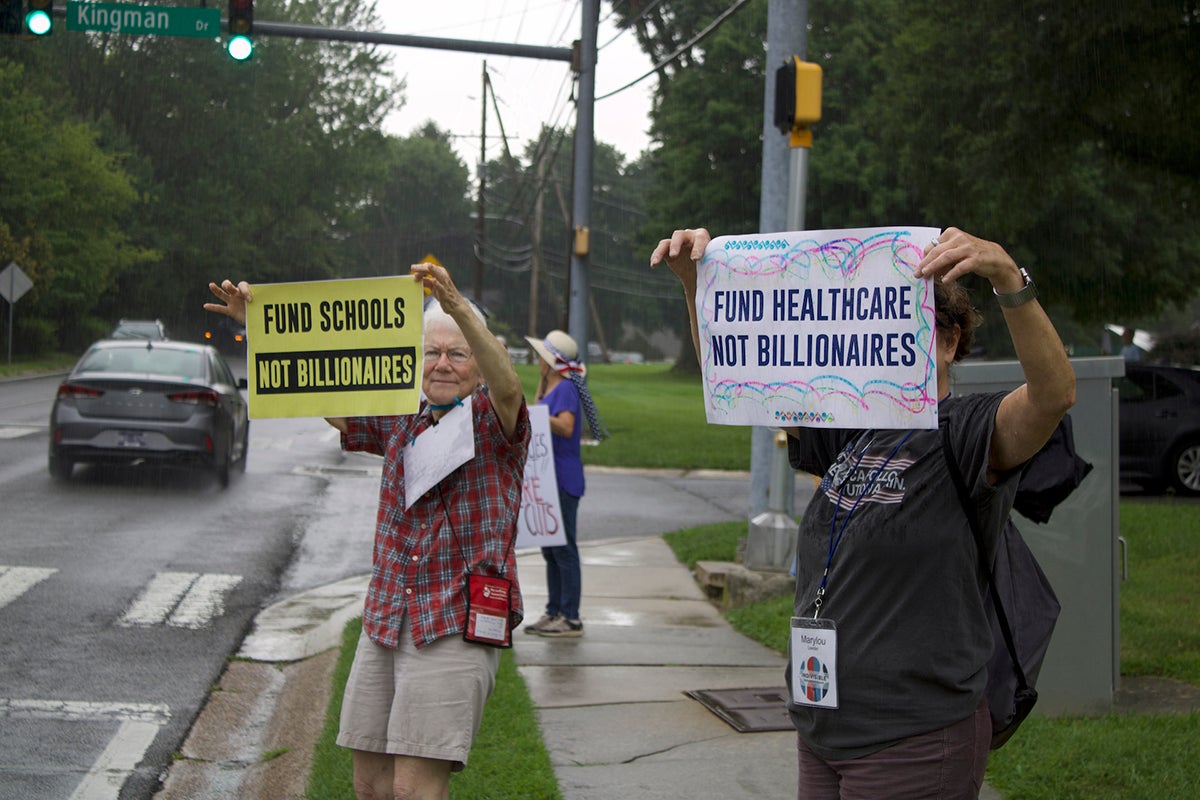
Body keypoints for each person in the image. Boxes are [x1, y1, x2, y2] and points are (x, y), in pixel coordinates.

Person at [650, 227, 1076, 799]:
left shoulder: (968, 430)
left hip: (914, 738)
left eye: (913, 323)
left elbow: (1052, 396)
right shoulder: (856, 428)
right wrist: (698, 284)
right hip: (824, 728)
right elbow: (746, 377)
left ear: (949, 342)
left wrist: (1009, 280)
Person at [205, 262, 530, 800]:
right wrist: (262, 331)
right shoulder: (402, 414)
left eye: (457, 352)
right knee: (372, 787)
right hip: (386, 617)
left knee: (413, 790)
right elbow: (329, 397)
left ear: (477, 362)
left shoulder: (496, 422)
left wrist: (454, 305)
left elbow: (511, 387)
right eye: (432, 351)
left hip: (452, 621)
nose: (442, 364)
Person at [521, 329, 589, 637]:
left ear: (551, 362)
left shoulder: (566, 391)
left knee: (564, 548)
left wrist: (536, 414)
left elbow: (565, 425)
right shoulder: (553, 387)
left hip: (564, 477)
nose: (538, 361)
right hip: (550, 478)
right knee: (550, 548)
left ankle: (570, 616)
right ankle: (554, 609)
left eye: (542, 358)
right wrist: (541, 388)